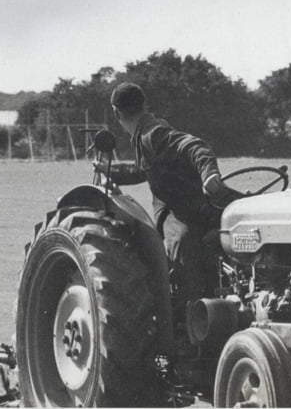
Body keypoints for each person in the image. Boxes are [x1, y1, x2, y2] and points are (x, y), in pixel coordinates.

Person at [98, 82, 239, 318]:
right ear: (144, 104)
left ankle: (200, 313)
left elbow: (194, 146)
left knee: (188, 239)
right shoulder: (147, 132)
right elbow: (147, 170)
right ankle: (191, 319)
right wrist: (111, 172)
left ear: (116, 113)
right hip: (187, 211)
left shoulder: (152, 133)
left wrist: (209, 173)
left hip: (187, 209)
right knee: (183, 241)